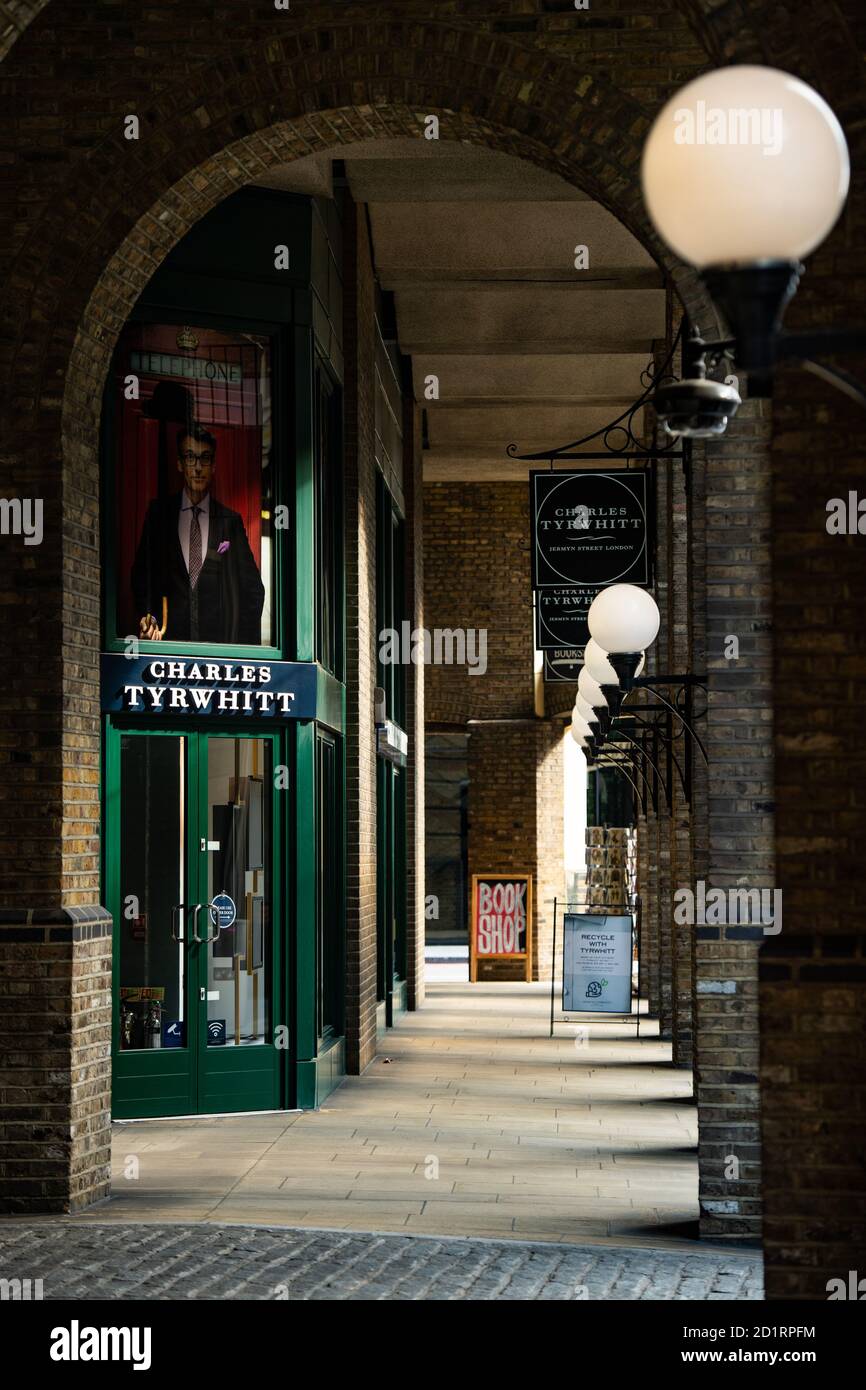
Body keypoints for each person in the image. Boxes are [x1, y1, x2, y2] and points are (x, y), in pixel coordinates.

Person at [132, 423, 265, 645]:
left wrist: (240, 647)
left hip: (219, 652)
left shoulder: (230, 522)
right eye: (190, 457)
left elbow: (253, 591)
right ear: (179, 463)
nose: (197, 468)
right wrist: (150, 618)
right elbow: (141, 577)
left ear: (213, 466)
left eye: (205, 458)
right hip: (166, 647)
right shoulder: (159, 514)